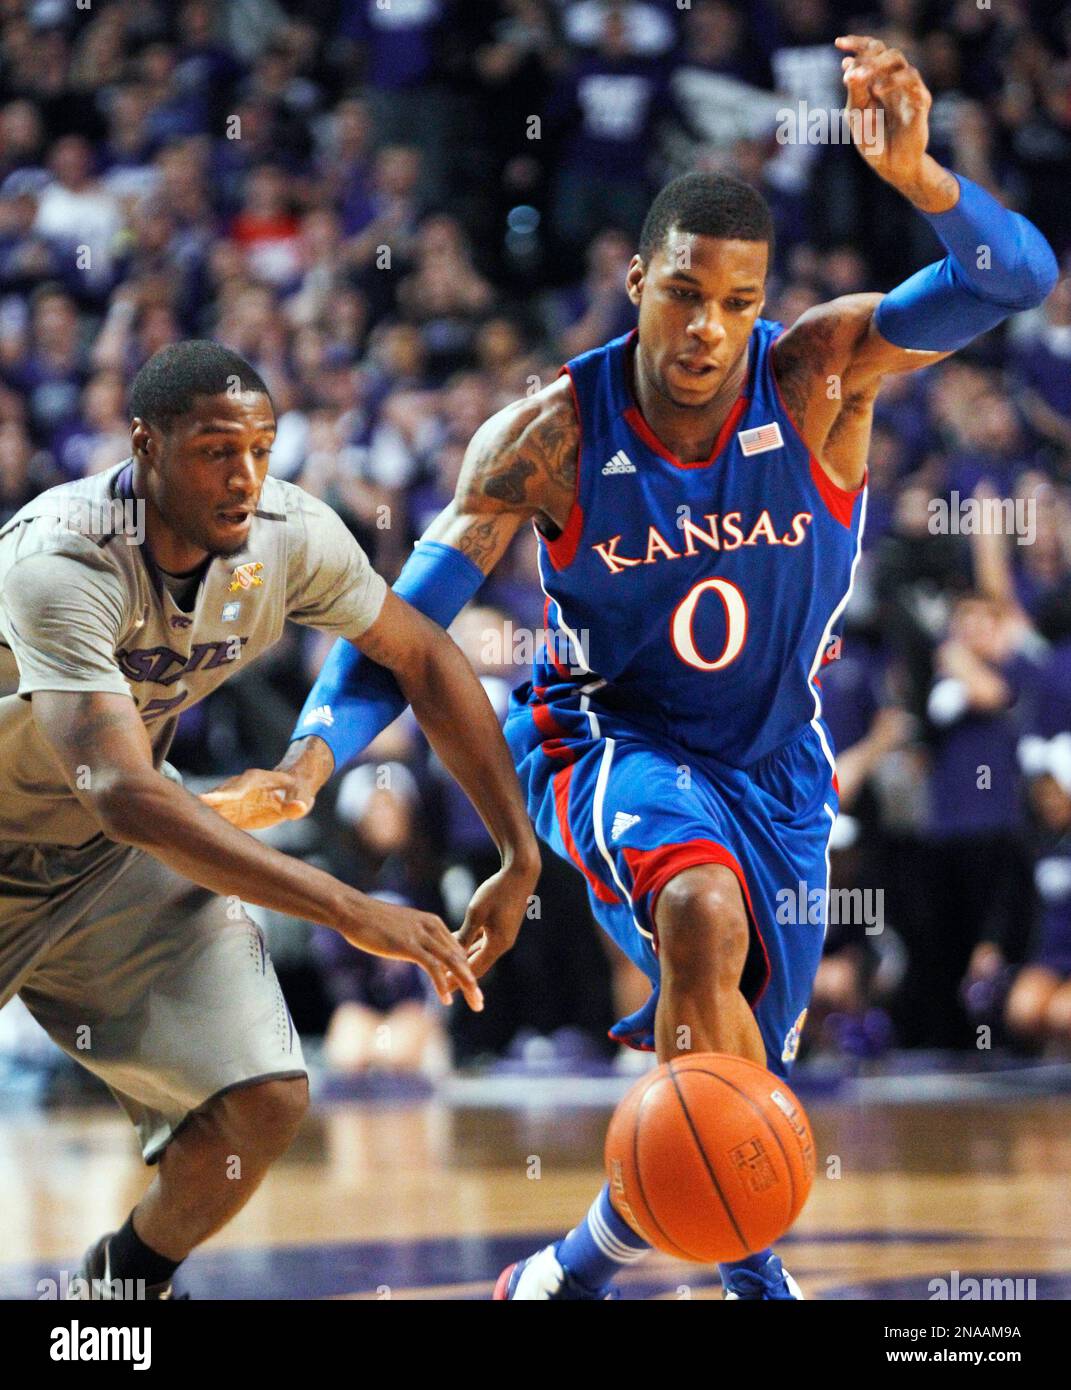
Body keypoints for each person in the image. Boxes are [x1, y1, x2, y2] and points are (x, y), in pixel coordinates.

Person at [211, 35, 1058, 1299]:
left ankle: (566, 1271)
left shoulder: (818, 373)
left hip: (777, 767)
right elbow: (406, 621)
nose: (710, 327)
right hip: (613, 741)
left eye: (736, 299)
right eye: (682, 294)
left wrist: (924, 176)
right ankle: (760, 1288)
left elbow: (1017, 277)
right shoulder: (549, 436)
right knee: (700, 916)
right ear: (635, 279)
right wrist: (316, 752)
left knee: (737, 1085)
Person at [0, 340, 539, 1300]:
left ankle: (109, 1301)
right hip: (88, 823)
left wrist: (517, 851)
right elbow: (121, 789)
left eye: (260, 447)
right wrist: (346, 907)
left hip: (100, 864)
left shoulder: (289, 533)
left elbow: (418, 655)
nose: (245, 475)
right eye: (215, 450)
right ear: (145, 446)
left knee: (260, 1101)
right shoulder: (62, 553)